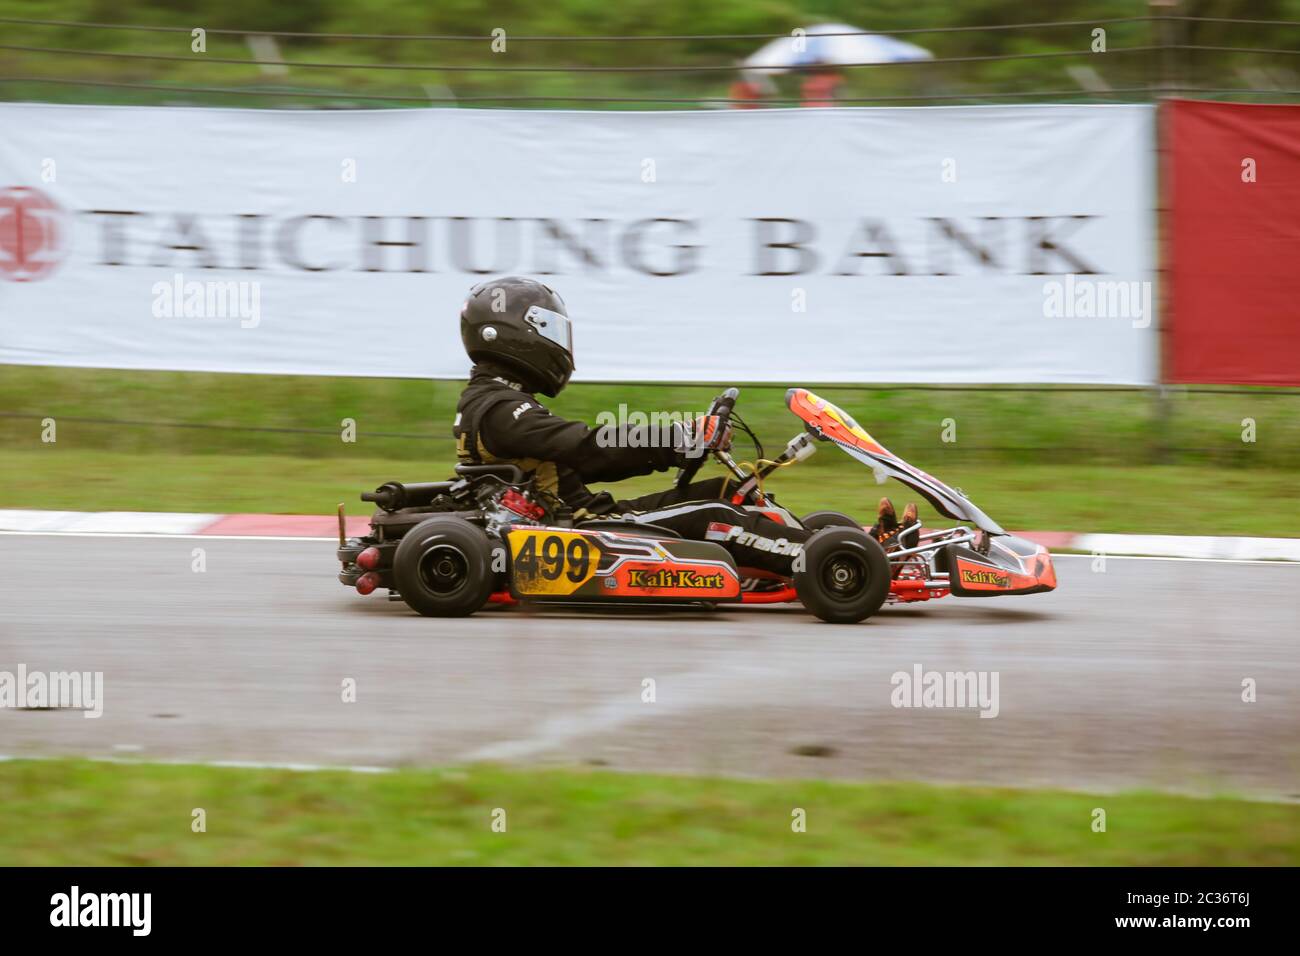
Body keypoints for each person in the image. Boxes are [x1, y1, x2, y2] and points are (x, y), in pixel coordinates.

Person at [453, 276, 917, 576]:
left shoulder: (501, 401)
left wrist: (678, 445)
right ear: (514, 334)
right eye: (548, 331)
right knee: (716, 518)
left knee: (728, 493)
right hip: (585, 527)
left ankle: (841, 547)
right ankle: (842, 565)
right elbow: (587, 448)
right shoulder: (497, 408)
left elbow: (587, 463)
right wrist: (676, 438)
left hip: (585, 515)